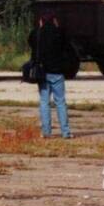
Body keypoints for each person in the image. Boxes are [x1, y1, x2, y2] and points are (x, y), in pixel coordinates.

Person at [28, 10, 72, 139]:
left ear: (41, 21)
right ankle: (66, 132)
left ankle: (46, 132)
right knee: (60, 102)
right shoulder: (60, 33)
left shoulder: (37, 33)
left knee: (44, 102)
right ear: (54, 21)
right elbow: (67, 47)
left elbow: (30, 42)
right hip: (58, 72)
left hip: (42, 72)